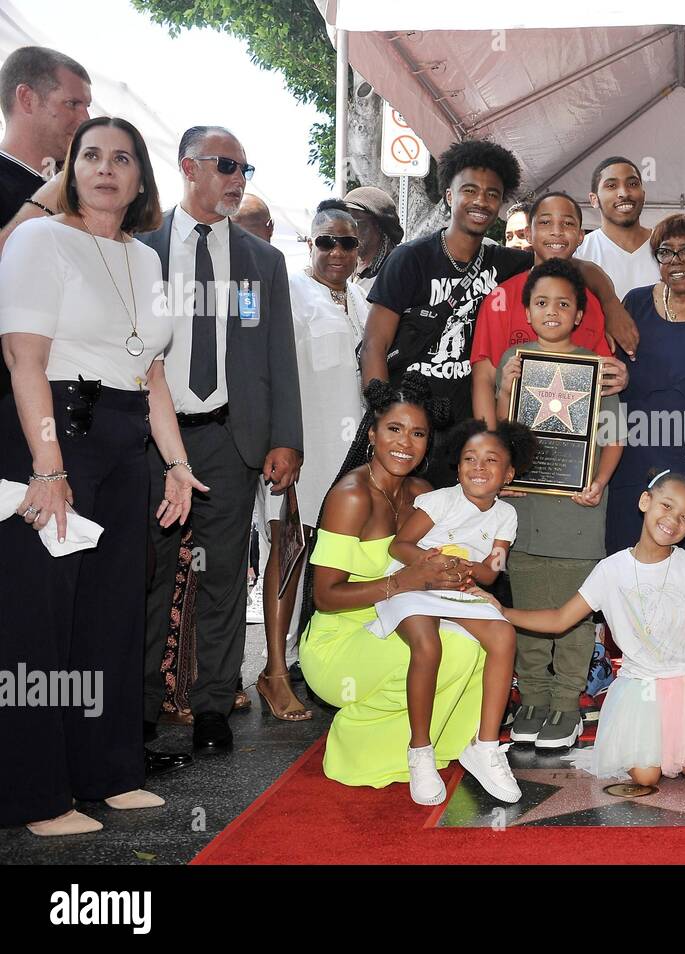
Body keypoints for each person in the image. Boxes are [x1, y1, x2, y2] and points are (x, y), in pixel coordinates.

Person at [0, 116, 206, 836]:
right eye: (91, 155)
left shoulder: (146, 260)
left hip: (126, 446)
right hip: (57, 433)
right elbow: (25, 359)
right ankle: (33, 794)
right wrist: (47, 466)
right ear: (70, 169)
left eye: (122, 157)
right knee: (39, 624)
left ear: (142, 177)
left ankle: (109, 771)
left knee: (113, 616)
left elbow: (151, 374)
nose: (106, 167)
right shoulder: (38, 239)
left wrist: (176, 464)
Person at [138, 125, 303, 753]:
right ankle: (142, 711)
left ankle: (212, 707)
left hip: (230, 441)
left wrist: (285, 438)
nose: (238, 178)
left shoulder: (264, 261)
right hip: (152, 441)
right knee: (147, 577)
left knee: (224, 578)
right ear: (188, 167)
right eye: (226, 165)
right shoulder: (141, 250)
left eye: (245, 168)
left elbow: (278, 356)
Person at [356, 141, 634, 487]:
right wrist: (386, 414)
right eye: (469, 190)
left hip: (464, 426)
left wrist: (609, 303)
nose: (480, 201)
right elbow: (372, 347)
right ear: (448, 196)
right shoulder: (411, 259)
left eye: (492, 194)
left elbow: (572, 266)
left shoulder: (504, 262)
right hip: (410, 418)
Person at [490, 471, 685, 787]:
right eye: (666, 506)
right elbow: (560, 619)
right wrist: (503, 611)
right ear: (645, 501)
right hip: (641, 688)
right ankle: (663, 746)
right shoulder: (610, 569)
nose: (672, 520)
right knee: (645, 776)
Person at [300, 380, 488, 790]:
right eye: (394, 430)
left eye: (418, 433)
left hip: (403, 621)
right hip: (340, 644)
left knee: (483, 637)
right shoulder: (351, 497)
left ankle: (445, 746)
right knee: (451, 648)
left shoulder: (423, 493)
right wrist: (402, 581)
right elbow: (325, 597)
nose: (406, 443)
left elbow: (446, 559)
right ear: (372, 433)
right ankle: (359, 745)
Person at [495, 258, 624, 750]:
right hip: (523, 511)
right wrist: (505, 473)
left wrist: (599, 483)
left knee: (573, 617)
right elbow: (499, 434)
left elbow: (613, 440)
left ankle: (568, 704)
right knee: (527, 608)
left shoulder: (597, 369)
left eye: (564, 304)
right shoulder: (515, 365)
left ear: (578, 316)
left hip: (579, 511)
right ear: (527, 310)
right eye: (542, 302)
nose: (552, 311)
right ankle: (531, 698)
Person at [374, 420, 538, 805]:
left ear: (509, 473)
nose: (478, 467)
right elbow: (401, 546)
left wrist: (466, 572)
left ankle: (483, 746)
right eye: (469, 458)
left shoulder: (506, 516)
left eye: (490, 460)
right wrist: (436, 566)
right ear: (458, 465)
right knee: (428, 646)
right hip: (414, 583)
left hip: (459, 589)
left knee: (503, 635)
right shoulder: (441, 501)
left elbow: (492, 569)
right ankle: (420, 750)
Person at [256, 200, 370, 722]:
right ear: (311, 243)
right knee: (288, 550)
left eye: (347, 242)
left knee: (340, 557)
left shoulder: (365, 299)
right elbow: (275, 372)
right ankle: (273, 671)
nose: (337, 252)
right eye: (326, 241)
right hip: (302, 447)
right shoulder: (291, 292)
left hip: (353, 453)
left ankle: (324, 661)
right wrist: (284, 441)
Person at [605, 213, 685, 562]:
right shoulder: (635, 303)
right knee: (626, 556)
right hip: (635, 451)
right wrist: (621, 374)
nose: (676, 261)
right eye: (665, 252)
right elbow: (611, 369)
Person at [470, 192, 615, 426]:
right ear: (529, 234)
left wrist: (618, 378)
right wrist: (489, 444)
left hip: (571, 447)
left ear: (580, 237)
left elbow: (603, 377)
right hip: (511, 444)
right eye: (545, 222)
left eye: (567, 223)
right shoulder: (501, 298)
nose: (556, 231)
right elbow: (484, 379)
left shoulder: (591, 303)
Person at [0, 46, 90, 227]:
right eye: (72, 104)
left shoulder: (81, 189)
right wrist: (42, 204)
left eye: (87, 106)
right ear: (27, 99)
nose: (86, 119)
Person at [576, 156, 661, 299]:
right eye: (611, 186)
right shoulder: (580, 253)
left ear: (643, 195)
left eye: (633, 184)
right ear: (594, 199)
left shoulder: (667, 248)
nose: (624, 193)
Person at [342, 185, 403, 293]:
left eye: (354, 223)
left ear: (378, 226)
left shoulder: (397, 268)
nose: (345, 230)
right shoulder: (345, 265)